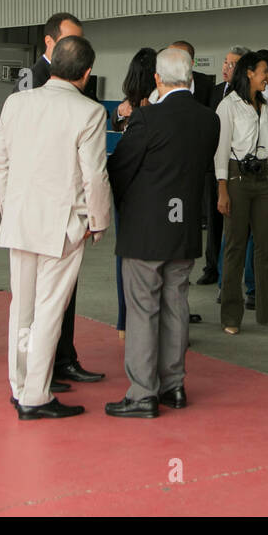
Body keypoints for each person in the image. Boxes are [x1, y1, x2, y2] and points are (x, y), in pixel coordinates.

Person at [0, 35, 111, 419]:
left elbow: (1, 166)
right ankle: (35, 397)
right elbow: (94, 176)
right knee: (48, 312)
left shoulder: (16, 102)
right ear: (87, 73)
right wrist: (99, 221)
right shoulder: (90, 112)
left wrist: (10, 209)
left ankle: (20, 385)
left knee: (21, 310)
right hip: (62, 227)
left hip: (20, 221)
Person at [106, 47, 221, 417]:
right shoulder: (209, 120)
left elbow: (119, 170)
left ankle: (142, 394)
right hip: (184, 227)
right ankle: (174, 386)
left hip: (146, 230)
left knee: (143, 310)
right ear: (190, 78)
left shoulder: (146, 119)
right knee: (176, 306)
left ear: (157, 78)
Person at [24, 12, 104, 385]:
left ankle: (62, 359)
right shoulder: (34, 83)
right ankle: (42, 370)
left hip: (60, 211)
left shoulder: (78, 85)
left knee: (62, 294)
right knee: (41, 299)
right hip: (46, 208)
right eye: (71, 40)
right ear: (50, 43)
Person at [215, 51, 268, 331]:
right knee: (235, 246)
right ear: (248, 73)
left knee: (265, 246)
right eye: (263, 71)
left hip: (263, 180)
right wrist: (222, 188)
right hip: (236, 177)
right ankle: (231, 317)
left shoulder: (264, 104)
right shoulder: (228, 106)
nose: (267, 76)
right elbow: (221, 149)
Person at [113, 47, 159, 335]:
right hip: (154, 189)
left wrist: (120, 111)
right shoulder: (158, 108)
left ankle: (125, 321)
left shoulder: (129, 106)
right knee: (157, 261)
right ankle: (153, 322)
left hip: (128, 190)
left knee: (126, 258)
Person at [198, 46, 249, 286]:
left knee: (236, 220)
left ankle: (232, 268)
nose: (226, 68)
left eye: (233, 64)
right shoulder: (215, 91)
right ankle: (211, 267)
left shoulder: (248, 95)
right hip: (213, 164)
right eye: (225, 63)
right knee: (213, 216)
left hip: (238, 167)